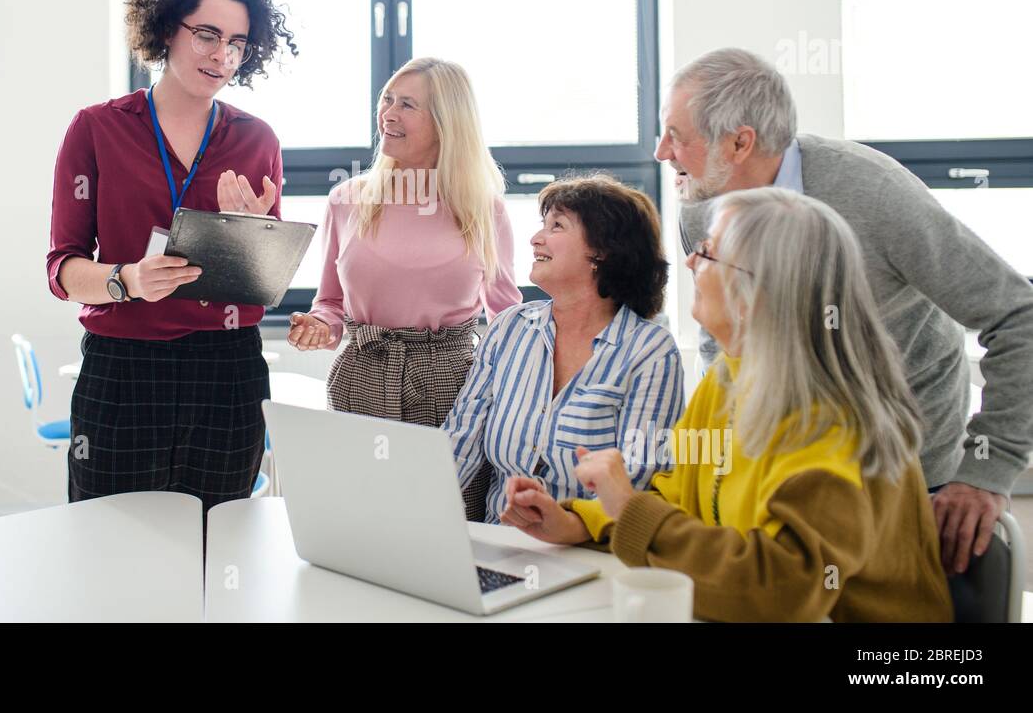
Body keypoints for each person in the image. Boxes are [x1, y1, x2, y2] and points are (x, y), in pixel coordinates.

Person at [657, 47, 1033, 574]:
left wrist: (988, 469)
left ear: (740, 141)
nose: (660, 152)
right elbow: (726, 348)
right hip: (781, 468)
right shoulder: (702, 199)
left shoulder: (873, 194)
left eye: (676, 135)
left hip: (905, 465)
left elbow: (1018, 315)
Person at [503, 188, 953, 623]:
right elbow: (677, 495)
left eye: (709, 254)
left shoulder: (831, 423)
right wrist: (580, 522)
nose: (689, 261)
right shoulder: (727, 377)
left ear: (758, 289)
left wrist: (628, 510)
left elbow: (782, 591)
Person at [46, 0, 296, 511]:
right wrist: (128, 279)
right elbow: (63, 269)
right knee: (112, 539)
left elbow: (261, 283)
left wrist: (254, 236)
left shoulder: (258, 140)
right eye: (207, 34)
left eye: (237, 42)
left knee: (219, 538)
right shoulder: (97, 128)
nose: (221, 55)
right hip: (124, 367)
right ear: (164, 30)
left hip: (228, 368)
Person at [287, 57, 520, 518]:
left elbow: (506, 314)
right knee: (362, 526)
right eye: (387, 100)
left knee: (451, 527)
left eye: (407, 104)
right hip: (361, 376)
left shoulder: (483, 208)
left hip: (453, 385)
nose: (388, 114)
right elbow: (332, 303)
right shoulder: (347, 199)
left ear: (446, 122)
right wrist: (319, 325)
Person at [442, 172, 684, 523]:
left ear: (601, 250)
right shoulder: (509, 328)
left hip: (594, 553)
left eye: (556, 227)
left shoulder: (650, 352)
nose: (535, 239)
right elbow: (458, 444)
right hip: (502, 543)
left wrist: (568, 524)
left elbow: (639, 482)